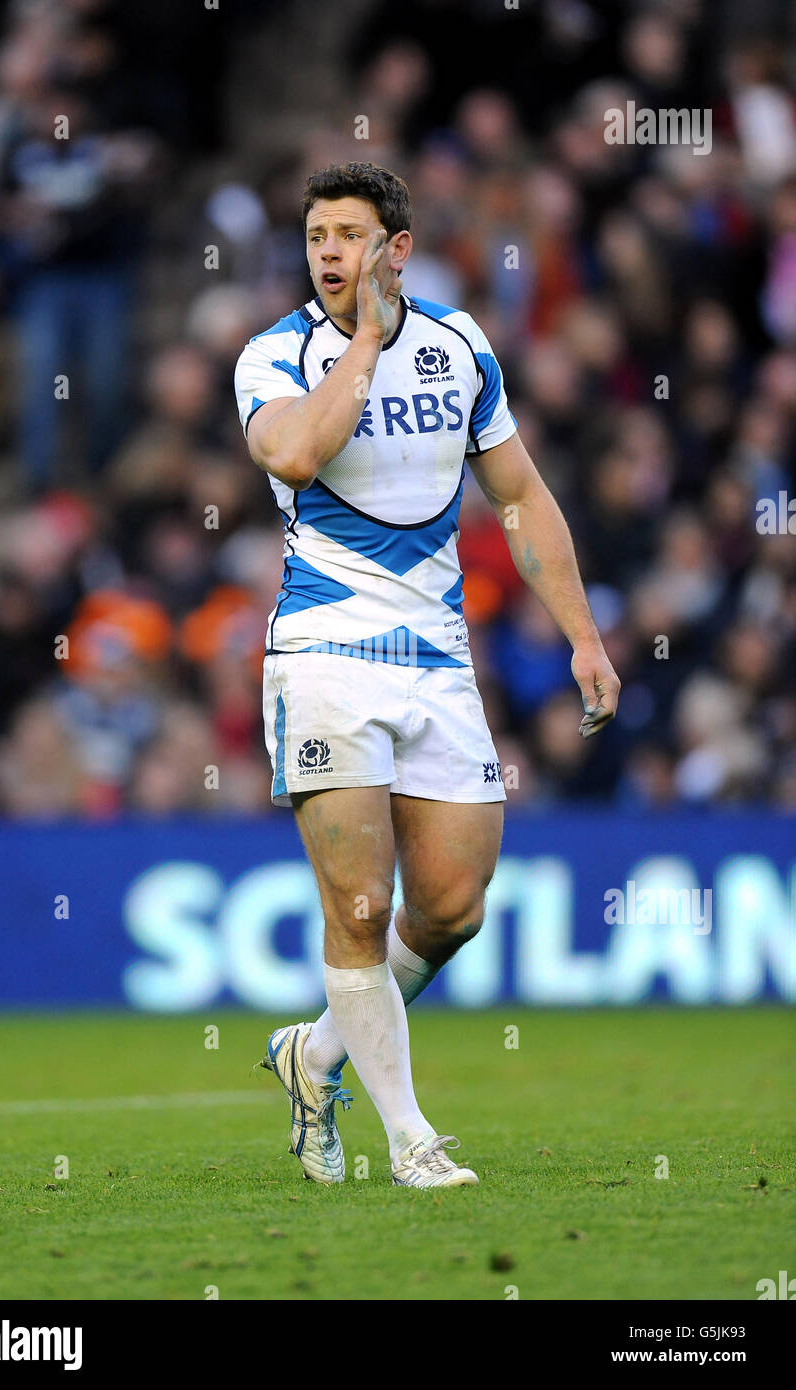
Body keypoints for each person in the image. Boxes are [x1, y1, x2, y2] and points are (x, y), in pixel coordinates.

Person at [234, 161, 620, 1188]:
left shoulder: (459, 348)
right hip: (323, 654)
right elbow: (295, 458)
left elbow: (522, 497)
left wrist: (582, 634)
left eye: (349, 235)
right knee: (358, 911)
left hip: (437, 659)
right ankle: (411, 1137)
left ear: (396, 250)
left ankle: (313, 1057)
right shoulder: (274, 356)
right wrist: (363, 339)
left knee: (450, 906)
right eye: (316, 234)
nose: (327, 252)